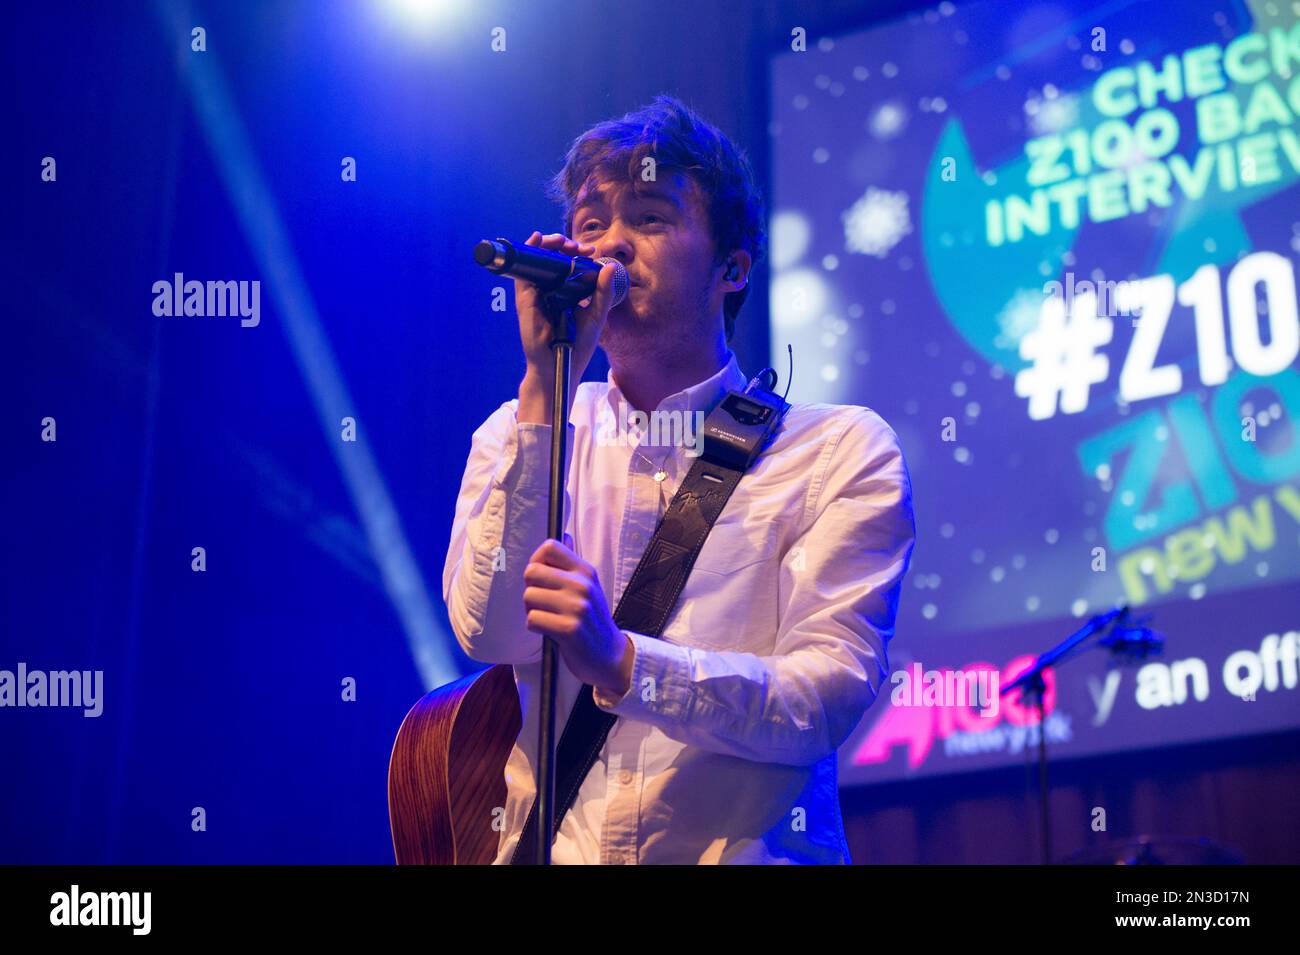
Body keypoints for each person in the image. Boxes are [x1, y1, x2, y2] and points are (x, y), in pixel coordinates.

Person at [443, 95, 915, 864]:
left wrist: (625, 664)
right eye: (591, 224)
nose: (611, 248)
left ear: (733, 268)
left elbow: (822, 698)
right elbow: (488, 632)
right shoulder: (520, 429)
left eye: (651, 217)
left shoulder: (837, 451)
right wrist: (541, 388)